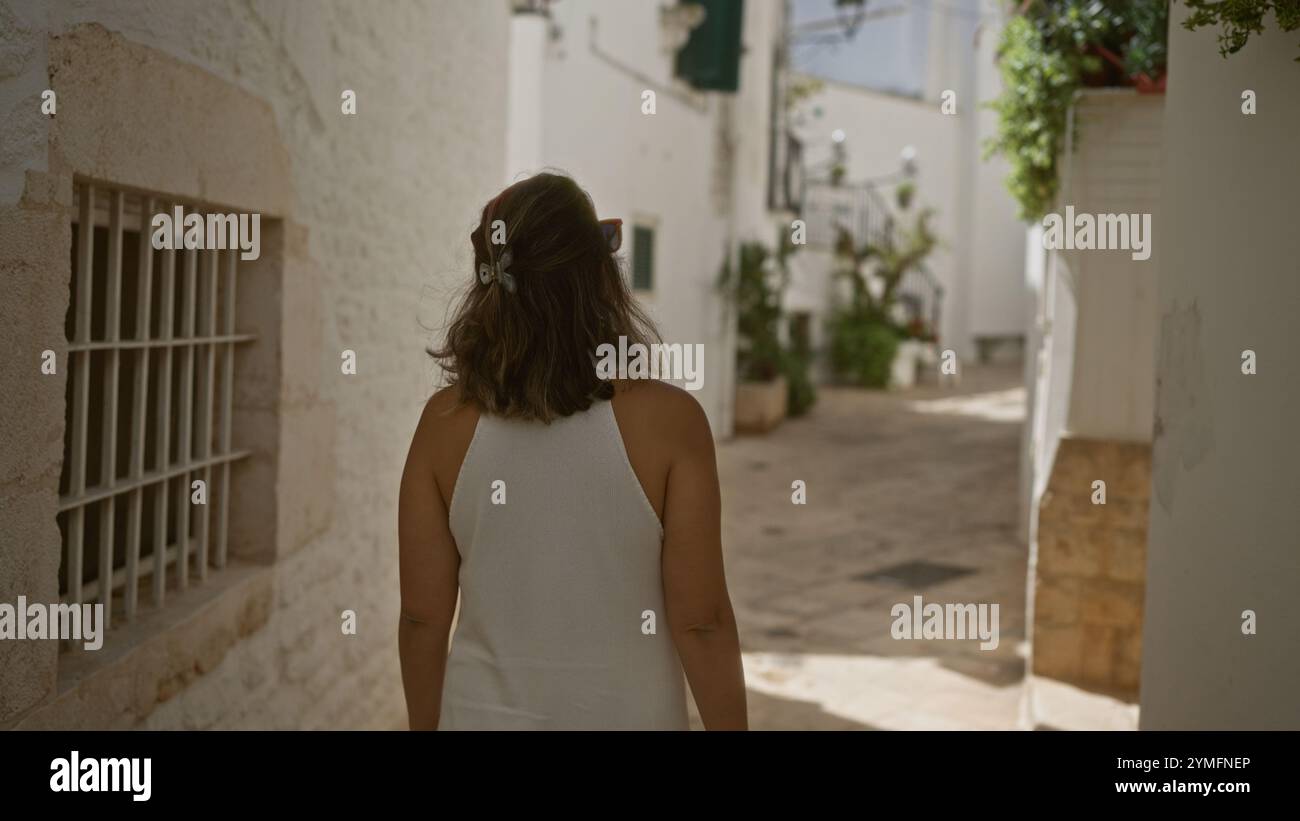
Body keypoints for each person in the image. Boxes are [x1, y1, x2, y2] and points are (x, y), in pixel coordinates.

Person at [397, 172, 747, 730]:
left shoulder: (442, 425)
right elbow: (701, 621)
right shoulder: (672, 422)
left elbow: (421, 618)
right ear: (599, 279)